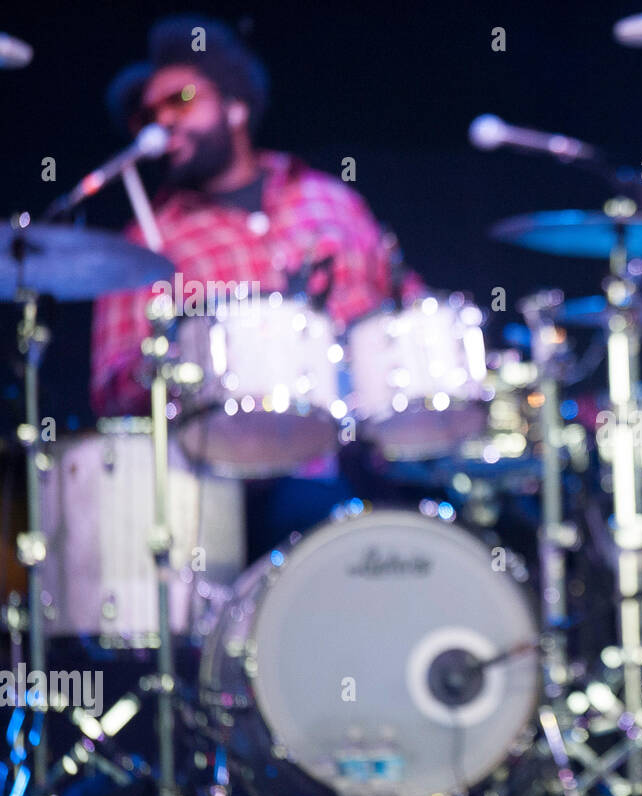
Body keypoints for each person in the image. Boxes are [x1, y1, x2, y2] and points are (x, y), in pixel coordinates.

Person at [91, 15, 423, 555]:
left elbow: (407, 304)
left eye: (180, 99)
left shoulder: (331, 201)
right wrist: (175, 359)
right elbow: (111, 389)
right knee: (312, 519)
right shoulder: (143, 249)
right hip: (235, 483)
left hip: (376, 454)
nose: (161, 121)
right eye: (146, 115)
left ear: (236, 106)